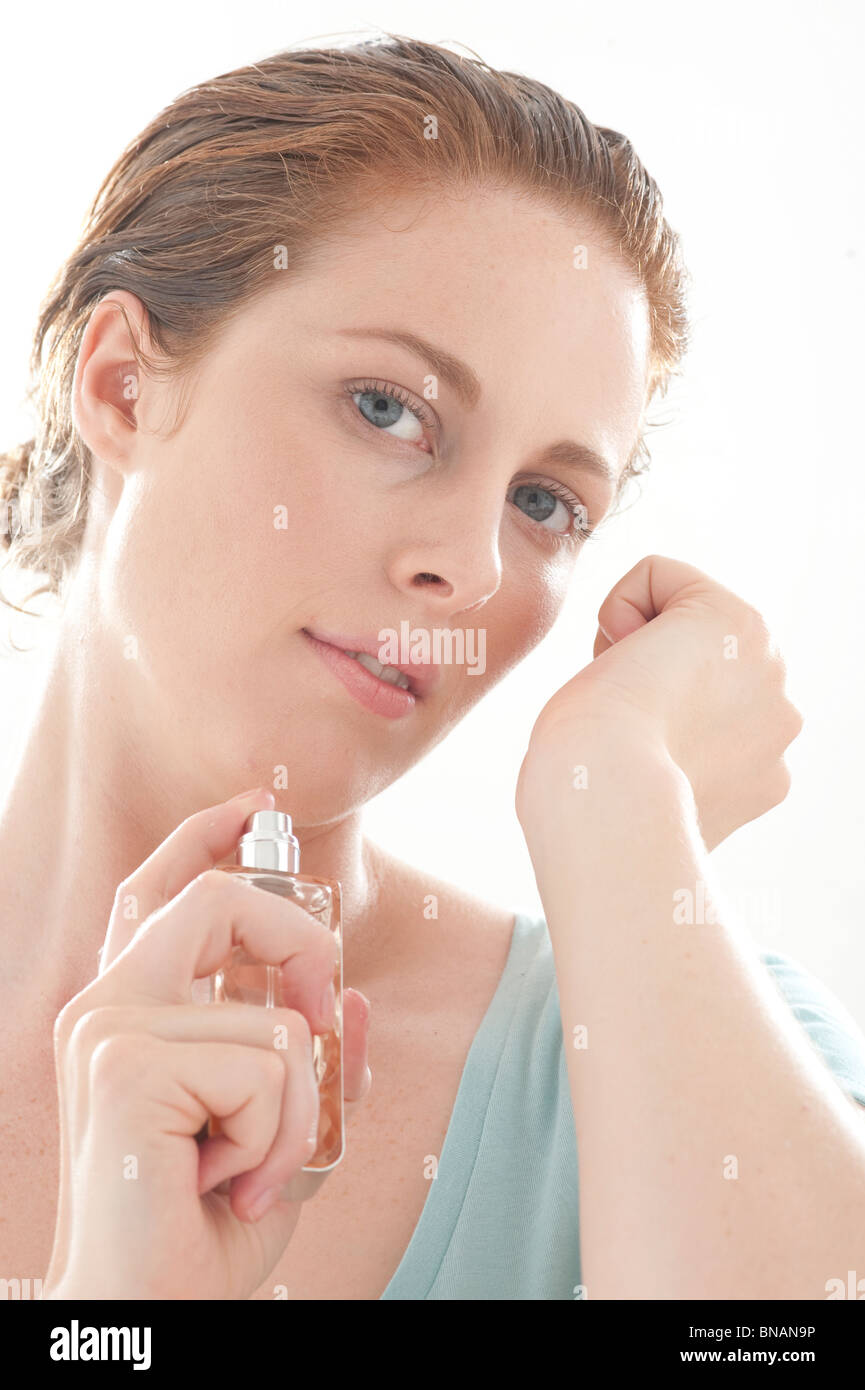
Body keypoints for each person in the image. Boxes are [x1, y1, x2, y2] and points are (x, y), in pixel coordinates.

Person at [2, 32, 864, 1302]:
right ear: (125, 382)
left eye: (545, 502)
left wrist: (622, 801)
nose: (468, 570)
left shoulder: (669, 1051)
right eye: (389, 408)